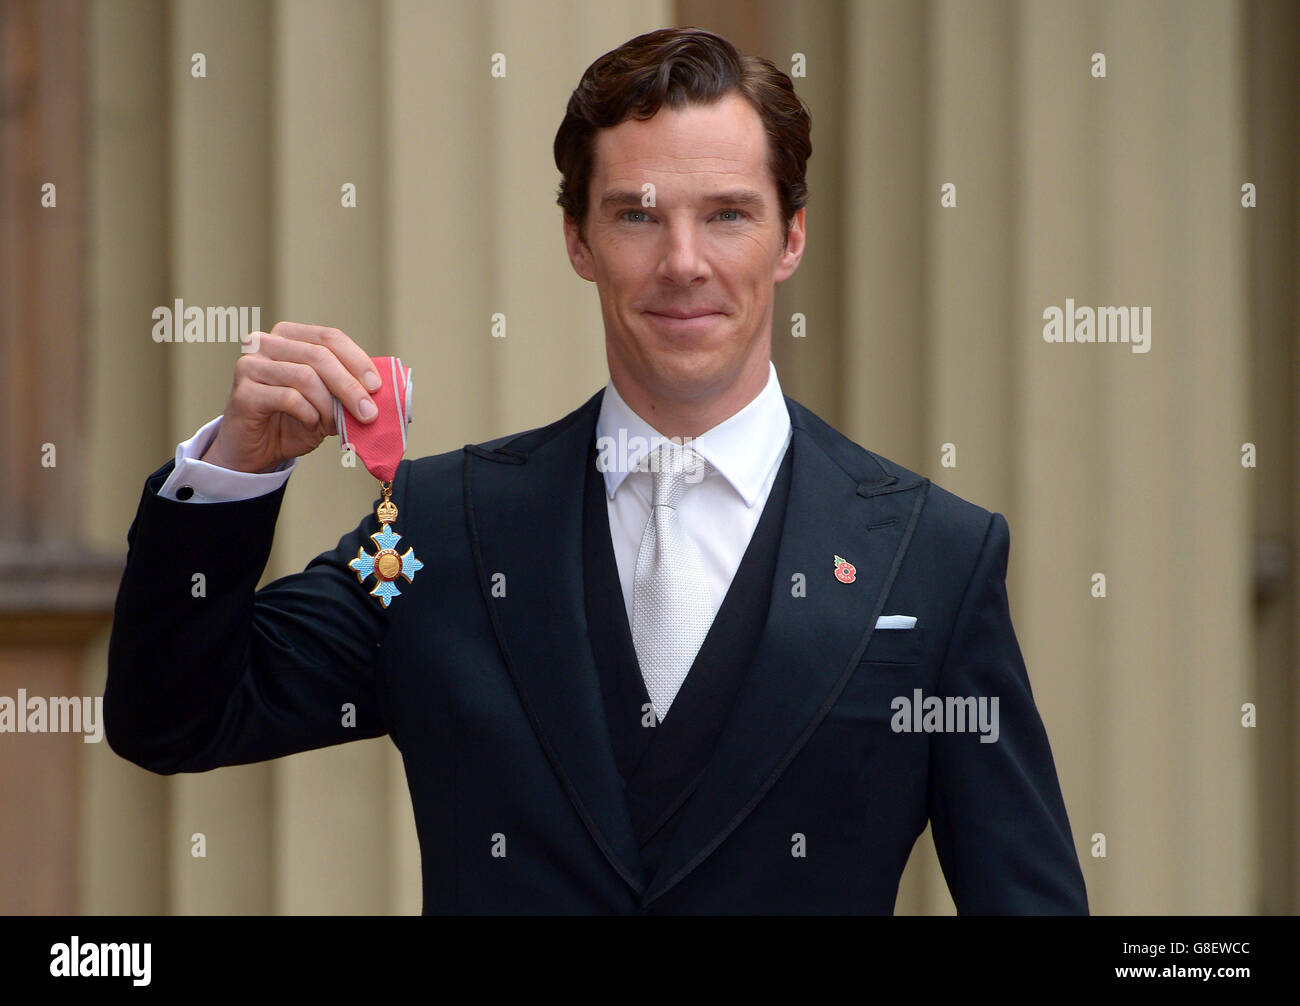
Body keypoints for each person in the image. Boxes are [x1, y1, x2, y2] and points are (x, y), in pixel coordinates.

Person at [105, 26, 1088, 914]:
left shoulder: (932, 559)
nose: (683, 262)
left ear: (790, 237)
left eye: (729, 216)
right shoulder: (442, 528)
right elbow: (177, 718)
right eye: (637, 216)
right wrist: (236, 469)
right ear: (578, 239)